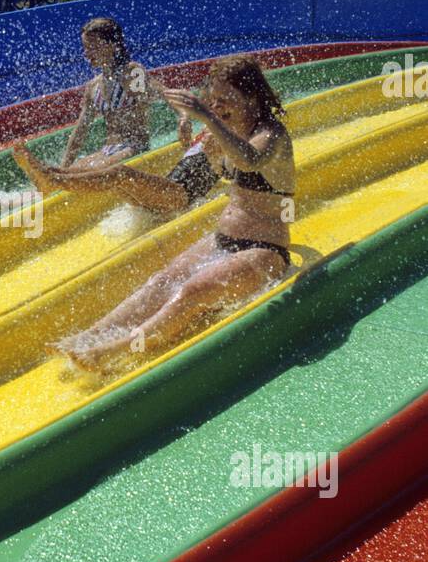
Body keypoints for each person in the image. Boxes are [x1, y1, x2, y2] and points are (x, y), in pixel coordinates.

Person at [42, 55, 295, 369]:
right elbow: (218, 168)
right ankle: (91, 335)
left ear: (252, 96)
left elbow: (250, 161)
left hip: (265, 251)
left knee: (193, 290)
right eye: (214, 100)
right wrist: (200, 129)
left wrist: (207, 118)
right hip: (224, 241)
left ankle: (116, 349)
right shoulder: (225, 135)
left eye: (227, 100)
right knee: (161, 281)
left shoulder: (272, 134)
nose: (219, 107)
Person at [14, 17, 155, 192]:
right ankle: (49, 180)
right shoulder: (93, 87)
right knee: (71, 171)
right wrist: (65, 164)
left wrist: (184, 117)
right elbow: (80, 131)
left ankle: (51, 178)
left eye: (93, 47)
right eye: (85, 48)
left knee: (89, 171)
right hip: (107, 150)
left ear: (113, 45)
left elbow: (156, 93)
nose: (87, 53)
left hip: (134, 147)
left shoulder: (132, 72)